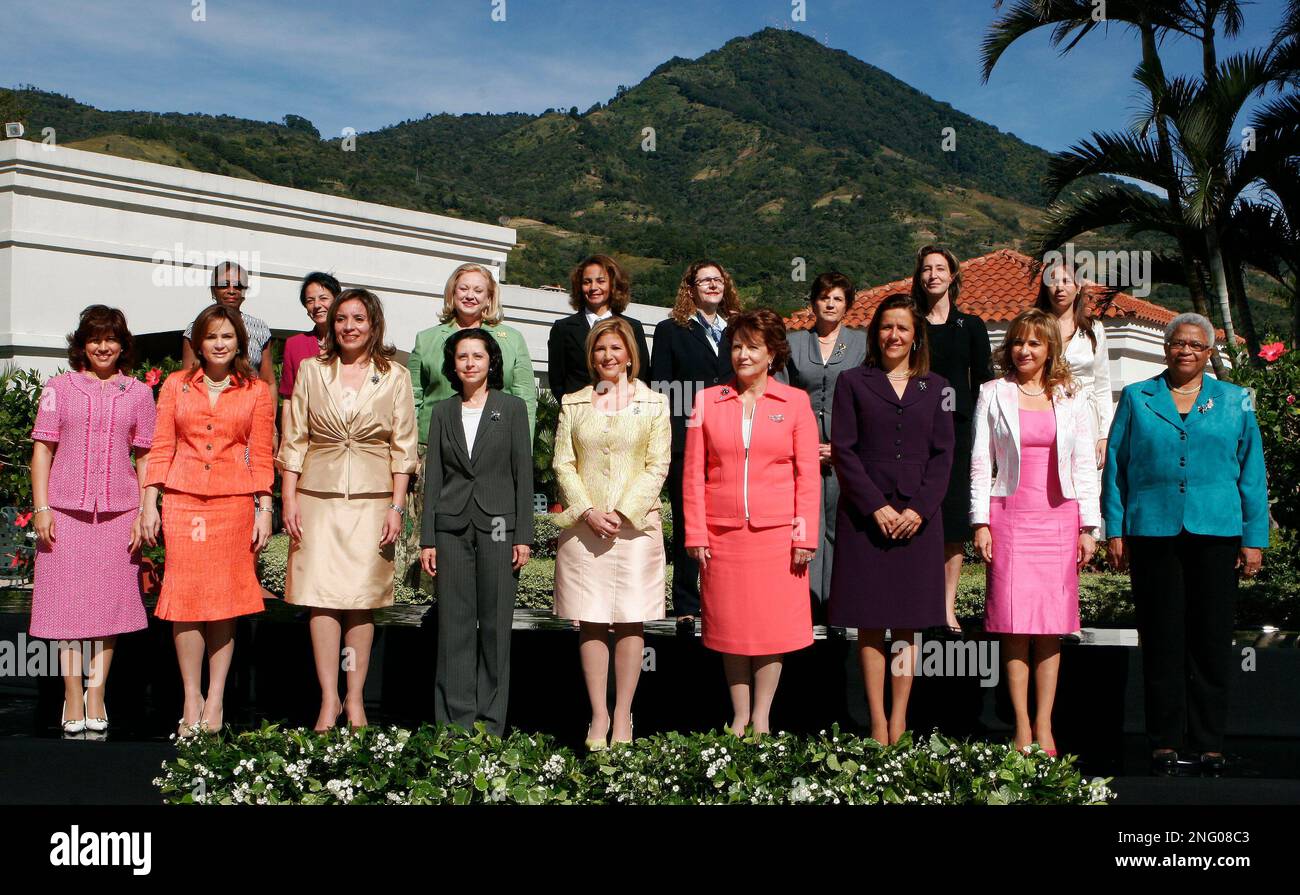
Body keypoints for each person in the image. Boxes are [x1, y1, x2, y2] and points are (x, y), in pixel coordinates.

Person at [1103, 313, 1268, 777]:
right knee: (1161, 638)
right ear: (1166, 347)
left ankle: (1209, 742)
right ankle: (1164, 741)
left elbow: (1252, 470)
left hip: (1216, 531)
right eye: (1178, 342)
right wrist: (1114, 529)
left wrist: (1254, 538)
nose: (1186, 351)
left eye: (1196, 344)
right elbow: (1116, 466)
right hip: (1152, 531)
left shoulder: (1236, 399)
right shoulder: (1137, 396)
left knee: (1210, 639)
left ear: (1209, 352)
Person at [278, 288, 418, 732]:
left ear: (373, 324)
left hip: (373, 501)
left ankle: (355, 698)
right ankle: (328, 698)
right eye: (341, 319)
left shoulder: (395, 376)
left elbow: (404, 447)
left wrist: (397, 506)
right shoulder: (311, 370)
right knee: (320, 599)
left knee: (361, 601)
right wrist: (288, 497)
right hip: (316, 499)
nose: (349, 326)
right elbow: (294, 439)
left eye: (358, 318)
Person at [140, 304, 276, 736]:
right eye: (211, 336)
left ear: (240, 343)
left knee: (224, 601)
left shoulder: (257, 391)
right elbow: (162, 446)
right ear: (198, 343)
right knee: (185, 599)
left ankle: (215, 697)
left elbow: (262, 453)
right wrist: (149, 501)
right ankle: (191, 696)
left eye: (227, 336)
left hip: (234, 503)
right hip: (182, 501)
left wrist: (265, 508)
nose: (219, 344)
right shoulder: (175, 385)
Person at [970, 309, 1100, 756]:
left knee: (1049, 626)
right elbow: (980, 462)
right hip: (1008, 517)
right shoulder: (993, 392)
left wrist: (1088, 527)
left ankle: (1045, 724)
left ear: (1049, 349)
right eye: (1018, 342)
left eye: (1034, 343)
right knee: (1013, 624)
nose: (1024, 350)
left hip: (1059, 520)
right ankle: (1021, 726)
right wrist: (981, 522)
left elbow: (1084, 465)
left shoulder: (1071, 395)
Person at [683, 309, 818, 736]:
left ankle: (762, 715)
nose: (742, 355)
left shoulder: (795, 403)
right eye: (737, 346)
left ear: (772, 353)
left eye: (753, 347)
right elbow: (692, 473)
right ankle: (739, 715)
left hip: (777, 536)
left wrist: (804, 535)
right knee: (731, 626)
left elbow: (807, 476)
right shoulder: (706, 401)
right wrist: (696, 531)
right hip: (722, 535)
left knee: (770, 627)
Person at [828, 295, 954, 745]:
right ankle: (877, 721)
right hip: (866, 520)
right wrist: (875, 506)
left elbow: (944, 455)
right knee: (869, 621)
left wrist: (919, 509)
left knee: (905, 623)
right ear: (874, 333)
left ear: (916, 335)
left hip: (918, 520)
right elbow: (843, 450)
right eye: (886, 327)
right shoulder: (851, 382)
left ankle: (899, 721)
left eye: (902, 328)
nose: (893, 335)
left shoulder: (938, 387)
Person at [29, 306, 156, 736]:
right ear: (82, 345)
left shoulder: (139, 393)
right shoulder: (58, 388)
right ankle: (71, 694)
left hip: (119, 514)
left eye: (111, 339)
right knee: (67, 606)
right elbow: (42, 450)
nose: (103, 346)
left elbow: (146, 457)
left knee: (109, 606)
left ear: (123, 345)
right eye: (95, 339)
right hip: (64, 513)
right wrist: (42, 508)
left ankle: (96, 692)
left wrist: (145, 510)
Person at [552, 317, 670, 749]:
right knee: (591, 619)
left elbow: (658, 464)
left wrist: (621, 511)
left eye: (616, 348)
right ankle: (598, 715)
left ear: (630, 355)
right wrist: (587, 511)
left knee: (629, 618)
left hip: (635, 529)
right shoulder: (573, 403)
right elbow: (562, 462)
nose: (608, 356)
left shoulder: (654, 403)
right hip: (585, 530)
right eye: (601, 349)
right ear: (591, 356)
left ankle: (624, 716)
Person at [419, 329, 534, 737]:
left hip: (499, 526)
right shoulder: (442, 412)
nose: (469, 363)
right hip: (451, 527)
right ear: (452, 365)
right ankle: (454, 725)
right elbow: (434, 477)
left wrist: (523, 535)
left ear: (491, 362)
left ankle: (490, 725)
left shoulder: (512, 408)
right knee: (454, 626)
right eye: (462, 356)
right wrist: (428, 538)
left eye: (477, 356)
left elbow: (523, 473)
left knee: (496, 626)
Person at [404, 263, 537, 584]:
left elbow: (525, 397)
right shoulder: (427, 339)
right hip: (436, 454)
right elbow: (412, 398)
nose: (470, 295)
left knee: (493, 549)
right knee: (438, 548)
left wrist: (521, 452)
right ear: (452, 293)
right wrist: (411, 454)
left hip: (494, 456)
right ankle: (444, 604)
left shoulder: (511, 339)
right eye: (463, 288)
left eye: (479, 290)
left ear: (490, 297)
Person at [651, 260, 738, 637]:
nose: (713, 285)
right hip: (686, 438)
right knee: (689, 522)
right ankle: (686, 605)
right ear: (690, 288)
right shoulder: (670, 330)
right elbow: (661, 387)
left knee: (726, 521)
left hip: (731, 437)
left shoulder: (737, 329)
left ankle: (724, 600)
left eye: (718, 280)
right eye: (705, 280)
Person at [778, 272, 868, 622]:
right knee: (805, 527)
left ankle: (839, 607)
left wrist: (843, 447)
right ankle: (805, 608)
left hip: (848, 452)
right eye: (824, 297)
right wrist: (802, 444)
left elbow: (868, 400)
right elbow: (781, 396)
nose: (830, 304)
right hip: (801, 451)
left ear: (847, 306)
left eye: (838, 299)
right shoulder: (793, 343)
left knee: (840, 528)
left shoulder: (861, 344)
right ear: (813, 302)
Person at [914, 245, 994, 636]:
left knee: (953, 523)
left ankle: (946, 609)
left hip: (960, 432)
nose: (933, 274)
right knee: (919, 517)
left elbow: (984, 382)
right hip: (915, 431)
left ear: (952, 276)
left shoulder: (972, 326)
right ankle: (919, 604)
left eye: (939, 268)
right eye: (926, 268)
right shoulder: (910, 325)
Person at [1036, 260, 1112, 467]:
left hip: (1086, 416)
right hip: (1046, 410)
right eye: (1053, 281)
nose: (1059, 287)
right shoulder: (1036, 327)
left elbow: (1103, 385)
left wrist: (1104, 435)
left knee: (1084, 477)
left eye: (1066, 281)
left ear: (1078, 287)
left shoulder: (1094, 330)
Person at [547, 254, 652, 400]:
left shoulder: (633, 327)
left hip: (623, 407)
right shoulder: (563, 329)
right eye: (587, 282)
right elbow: (557, 381)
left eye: (601, 281)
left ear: (613, 284)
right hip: (580, 408)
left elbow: (642, 375)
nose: (593, 287)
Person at [180, 261, 276, 394]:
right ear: (213, 289)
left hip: (251, 403)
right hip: (207, 403)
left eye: (238, 286)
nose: (231, 291)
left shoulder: (260, 329)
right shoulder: (196, 328)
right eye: (224, 285)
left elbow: (268, 382)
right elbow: (187, 381)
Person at [279, 271, 342, 435]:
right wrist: (285, 440)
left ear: (337, 301)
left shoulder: (352, 342)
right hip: (304, 434)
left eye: (323, 298)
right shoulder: (294, 345)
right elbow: (288, 400)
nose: (317, 305)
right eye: (310, 301)